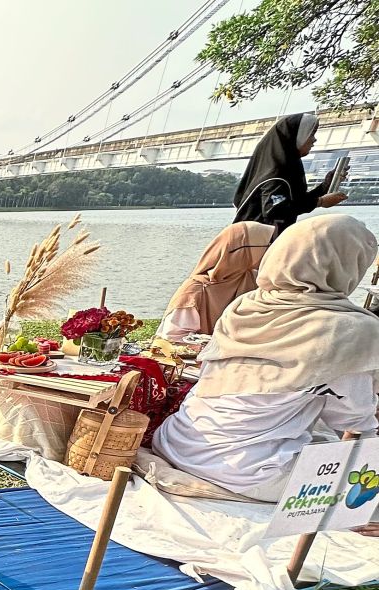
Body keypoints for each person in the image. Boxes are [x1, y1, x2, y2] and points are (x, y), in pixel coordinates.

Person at [153, 214, 379, 502]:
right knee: (360, 467)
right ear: (348, 264)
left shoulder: (245, 305)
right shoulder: (350, 328)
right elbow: (354, 422)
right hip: (248, 473)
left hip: (177, 442)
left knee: (316, 435)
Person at [154, 221, 276, 342]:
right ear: (243, 251)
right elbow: (174, 338)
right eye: (268, 245)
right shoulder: (195, 291)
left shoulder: (255, 279)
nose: (271, 250)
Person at [232, 113, 347, 236]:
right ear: (295, 136)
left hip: (263, 241)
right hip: (255, 245)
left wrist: (325, 186)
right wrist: (320, 202)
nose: (314, 139)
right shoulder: (275, 172)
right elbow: (276, 210)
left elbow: (296, 202)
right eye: (311, 134)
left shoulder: (286, 166)